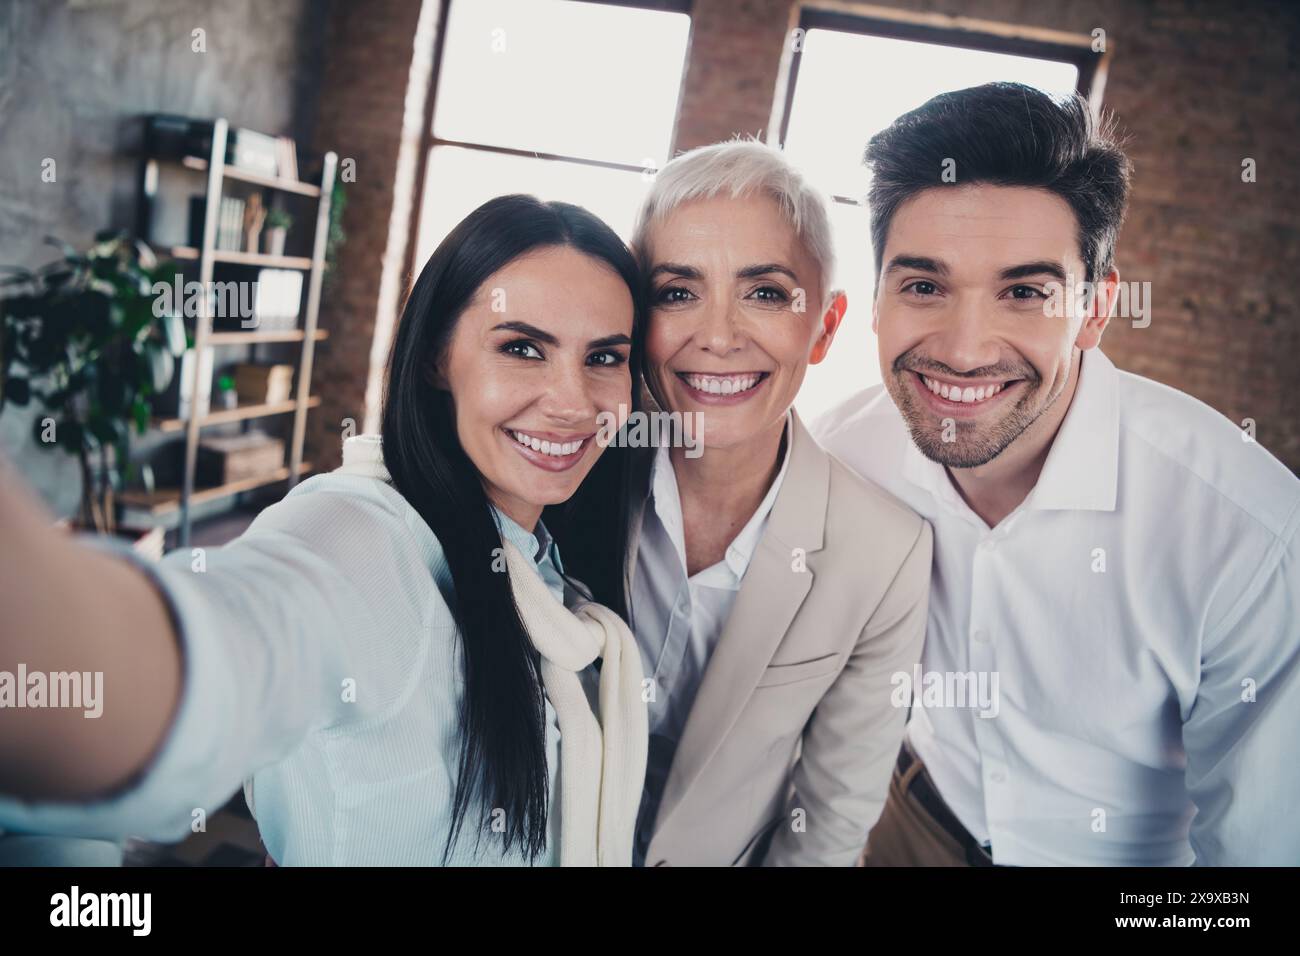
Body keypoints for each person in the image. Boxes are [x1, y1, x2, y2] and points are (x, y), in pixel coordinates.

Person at [0, 194, 649, 866]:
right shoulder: (360, 536)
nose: (573, 402)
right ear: (435, 357)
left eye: (604, 358)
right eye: (521, 347)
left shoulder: (554, 566)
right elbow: (205, 653)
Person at [813, 82, 1300, 866]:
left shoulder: (1251, 536)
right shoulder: (838, 457)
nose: (966, 349)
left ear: (1096, 310)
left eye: (1026, 293)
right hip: (912, 819)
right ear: (876, 299)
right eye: (924, 286)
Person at [558, 141, 932, 866]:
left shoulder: (885, 554)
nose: (720, 336)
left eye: (765, 293)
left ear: (824, 327)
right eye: (677, 292)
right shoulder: (568, 464)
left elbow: (830, 817)